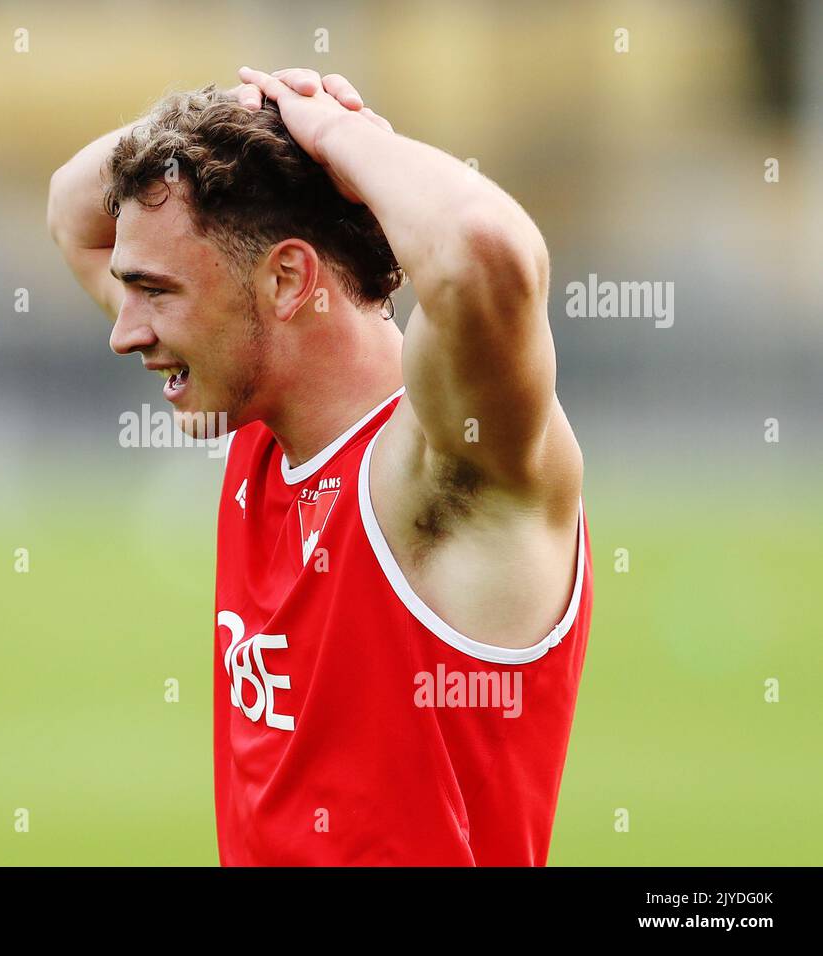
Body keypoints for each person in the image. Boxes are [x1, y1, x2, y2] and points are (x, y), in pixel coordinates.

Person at [46, 67, 592, 865]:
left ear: (288, 279)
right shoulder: (257, 416)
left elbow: (484, 250)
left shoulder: (438, 470)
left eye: (155, 291)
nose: (124, 331)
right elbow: (73, 210)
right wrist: (250, 108)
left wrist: (344, 137)